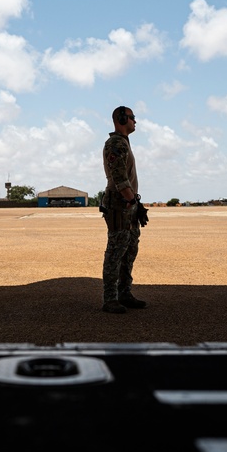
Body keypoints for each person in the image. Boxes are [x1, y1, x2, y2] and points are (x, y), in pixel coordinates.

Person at [100, 106, 147, 313]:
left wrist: (137, 205)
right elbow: (119, 177)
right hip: (120, 204)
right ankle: (110, 299)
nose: (135, 121)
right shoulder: (116, 143)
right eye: (132, 117)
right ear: (121, 118)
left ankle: (124, 293)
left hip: (128, 204)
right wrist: (132, 201)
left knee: (129, 250)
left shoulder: (123, 142)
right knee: (116, 251)